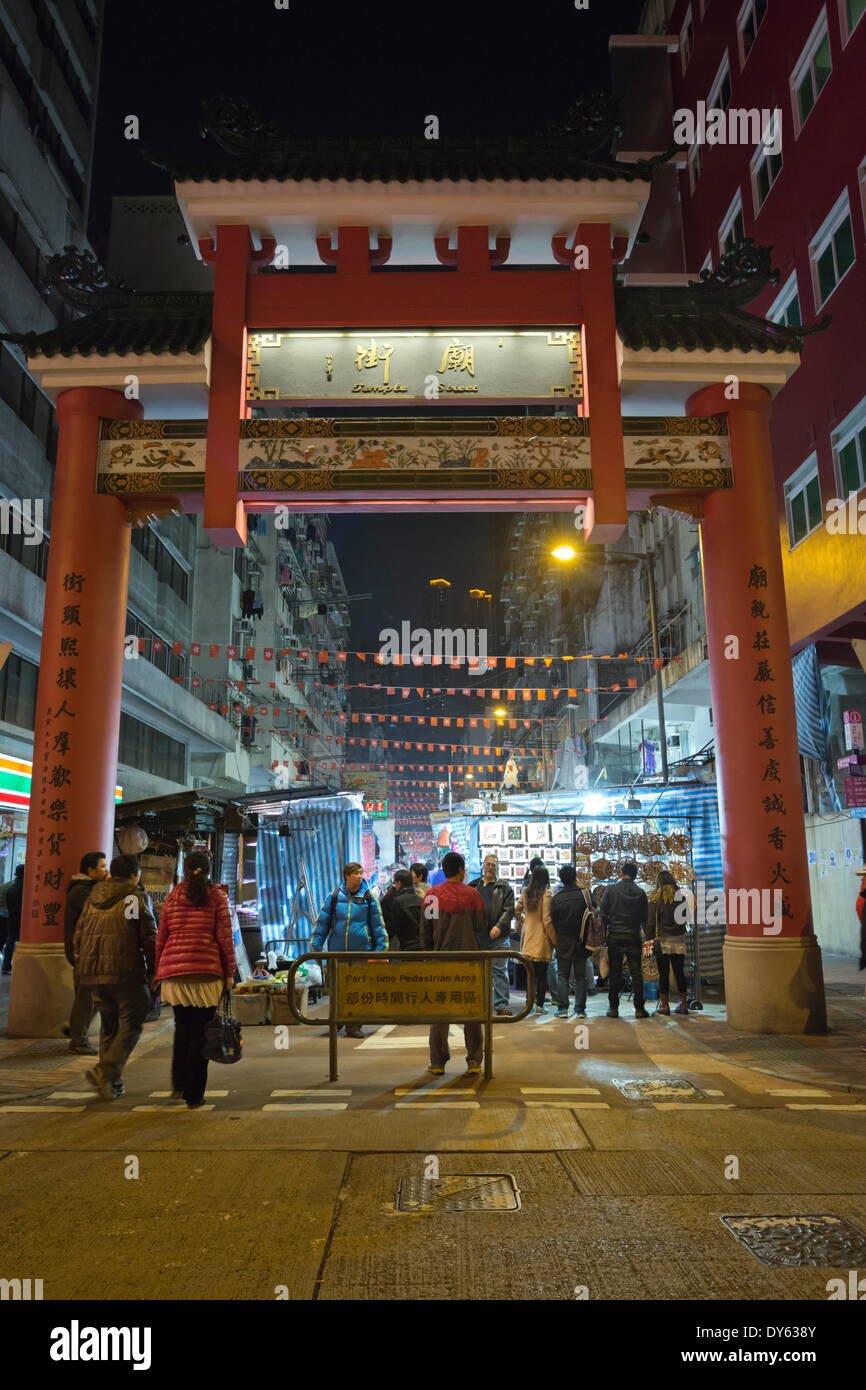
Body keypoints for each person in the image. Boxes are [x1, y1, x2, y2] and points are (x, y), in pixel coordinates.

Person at [155, 851, 236, 1109]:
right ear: (209, 871)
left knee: (183, 1029)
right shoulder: (217, 896)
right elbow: (225, 938)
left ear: (186, 869)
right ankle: (194, 1094)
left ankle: (178, 1084)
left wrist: (159, 969)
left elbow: (162, 935)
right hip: (206, 971)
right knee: (203, 1033)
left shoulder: (174, 895)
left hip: (175, 973)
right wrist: (230, 973)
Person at [73, 854, 157, 1100]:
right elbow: (146, 936)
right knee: (132, 1021)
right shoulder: (131, 897)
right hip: (124, 971)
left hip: (92, 972)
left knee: (109, 1025)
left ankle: (111, 1082)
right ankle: (106, 1070)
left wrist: (83, 964)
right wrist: (154, 970)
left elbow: (78, 935)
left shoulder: (93, 898)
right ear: (134, 874)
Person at [420, 851, 487, 1074]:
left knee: (440, 1010)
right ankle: (475, 1061)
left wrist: (430, 955)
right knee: (472, 1010)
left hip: (440, 961)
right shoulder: (473, 894)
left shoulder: (431, 896)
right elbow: (480, 925)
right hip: (469, 962)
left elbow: (426, 932)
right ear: (461, 870)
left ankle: (438, 1062)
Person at [312, 862, 388, 1039]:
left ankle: (354, 1026)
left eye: (361, 873)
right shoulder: (334, 897)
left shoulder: (369, 897)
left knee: (358, 990)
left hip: (360, 953)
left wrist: (381, 949)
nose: (360, 876)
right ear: (346, 875)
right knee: (336, 989)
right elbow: (322, 922)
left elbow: (378, 925)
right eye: (356, 873)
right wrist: (316, 945)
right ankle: (337, 1020)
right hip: (336, 954)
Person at [62, 851, 108, 1055]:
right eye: (102, 866)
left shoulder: (88, 888)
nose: (106, 870)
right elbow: (99, 910)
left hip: (90, 950)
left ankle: (76, 1029)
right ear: (90, 870)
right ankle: (77, 1040)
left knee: (98, 995)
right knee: (87, 997)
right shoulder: (81, 892)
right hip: (84, 951)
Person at [600, 860, 649, 1019]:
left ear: (622, 873)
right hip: (633, 936)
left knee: (615, 972)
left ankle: (613, 1008)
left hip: (615, 936)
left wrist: (608, 929)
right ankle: (639, 1009)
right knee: (636, 973)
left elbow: (603, 914)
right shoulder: (640, 892)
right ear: (635, 876)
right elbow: (644, 917)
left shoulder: (611, 890)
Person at [469, 853, 515, 1017]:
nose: (490, 867)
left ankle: (501, 1005)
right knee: (478, 971)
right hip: (478, 936)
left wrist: (499, 926)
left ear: (497, 868)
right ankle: (478, 1003)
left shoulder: (505, 887)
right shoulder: (473, 886)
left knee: (499, 971)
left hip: (499, 937)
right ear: (483, 866)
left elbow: (509, 910)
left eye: (493, 865)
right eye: (487, 864)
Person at [645, 869, 690, 1016]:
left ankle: (665, 1006)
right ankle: (683, 1004)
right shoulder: (681, 898)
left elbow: (651, 922)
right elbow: (687, 918)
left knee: (664, 974)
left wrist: (647, 938)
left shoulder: (655, 898)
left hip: (662, 941)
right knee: (679, 973)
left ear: (659, 882)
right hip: (678, 940)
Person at [550, 865, 593, 1019]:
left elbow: (553, 921)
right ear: (575, 877)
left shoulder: (556, 899)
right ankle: (580, 1009)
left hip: (563, 941)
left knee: (562, 975)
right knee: (580, 976)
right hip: (581, 940)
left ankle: (562, 1009)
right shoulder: (585, 895)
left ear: (561, 879)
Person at [515, 865, 556, 1014]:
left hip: (528, 938)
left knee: (530, 974)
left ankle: (528, 1003)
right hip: (542, 938)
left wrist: (524, 920)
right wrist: (555, 939)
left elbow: (516, 910)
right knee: (542, 974)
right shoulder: (546, 895)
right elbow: (547, 919)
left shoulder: (525, 892)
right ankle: (539, 1005)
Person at [388, 869, 422, 950]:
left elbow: (393, 926)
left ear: (399, 883)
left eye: (394, 883)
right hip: (422, 945)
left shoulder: (398, 901)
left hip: (406, 945)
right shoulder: (421, 900)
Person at [1, 863, 25, 974]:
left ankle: (6, 965)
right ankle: (21, 965)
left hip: (11, 917)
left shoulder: (10, 887)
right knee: (21, 942)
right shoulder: (25, 888)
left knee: (10, 941)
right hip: (21, 918)